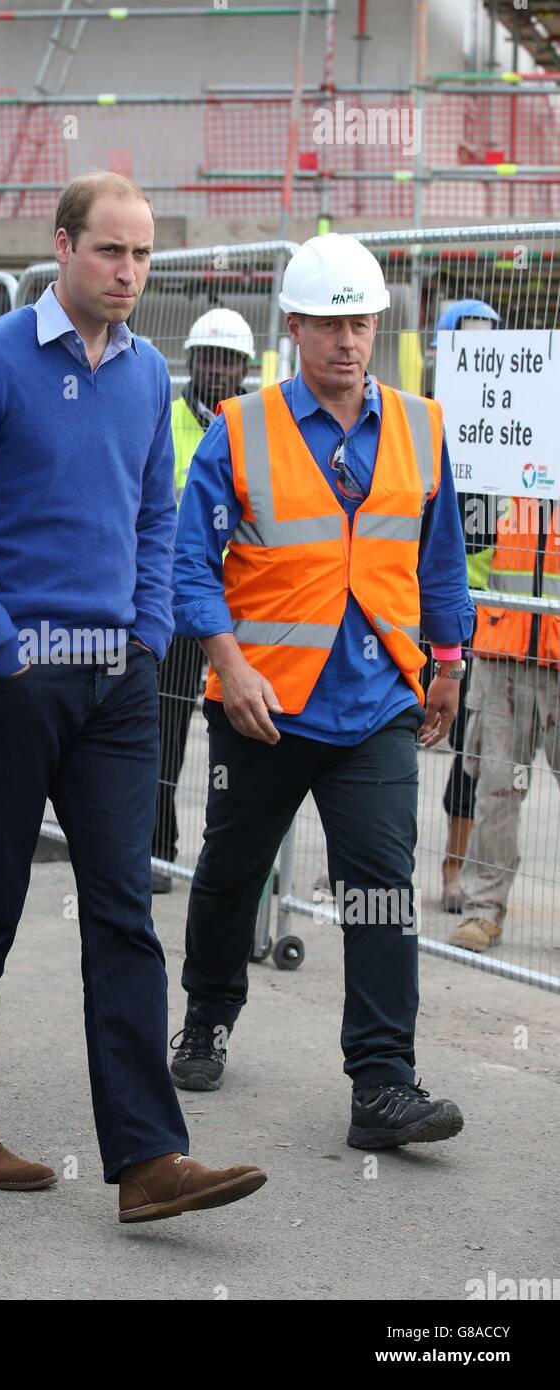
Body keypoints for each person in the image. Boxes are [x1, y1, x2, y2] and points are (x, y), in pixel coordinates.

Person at [0, 172, 267, 1223]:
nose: (129, 272)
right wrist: (1, 653)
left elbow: (158, 518)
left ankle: (149, 1158)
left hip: (115, 685)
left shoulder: (148, 372)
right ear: (62, 248)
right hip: (13, 682)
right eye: (111, 251)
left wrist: (148, 632)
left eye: (144, 255)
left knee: (124, 912)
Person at [170, 232, 473, 1151]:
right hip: (264, 705)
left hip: (376, 701)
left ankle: (382, 1084)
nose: (348, 341)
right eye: (329, 324)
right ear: (294, 328)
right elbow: (189, 569)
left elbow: (441, 560)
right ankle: (208, 1015)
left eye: (362, 323)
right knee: (229, 873)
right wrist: (229, 666)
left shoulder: (421, 426)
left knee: (381, 887)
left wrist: (449, 661)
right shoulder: (241, 428)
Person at [152, 308, 253, 893]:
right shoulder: (166, 420)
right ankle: (158, 853)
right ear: (193, 362)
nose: (218, 368)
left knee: (235, 731)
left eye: (229, 360)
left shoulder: (250, 426)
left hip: (235, 605)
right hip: (172, 601)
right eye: (210, 358)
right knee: (163, 730)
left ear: (243, 367)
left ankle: (236, 861)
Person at [451, 494, 560, 952]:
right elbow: (466, 534)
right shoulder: (505, 455)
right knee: (497, 791)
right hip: (503, 655)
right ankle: (482, 913)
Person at [428, 299, 500, 914]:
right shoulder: (424, 421)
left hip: (488, 615)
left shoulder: (508, 425)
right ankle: (364, 867)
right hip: (417, 608)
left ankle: (454, 870)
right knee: (385, 742)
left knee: (469, 755)